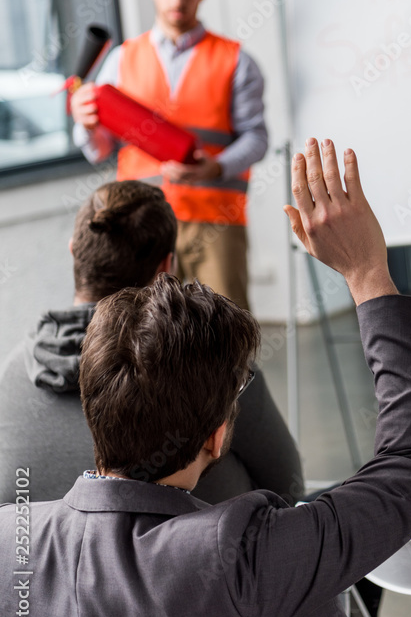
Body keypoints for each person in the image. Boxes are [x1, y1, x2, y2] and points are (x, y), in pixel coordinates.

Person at [0, 139, 411, 617]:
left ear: (92, 404)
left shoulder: (12, 539)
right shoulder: (243, 557)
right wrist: (366, 272)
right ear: (217, 437)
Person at [0, 179, 303, 507]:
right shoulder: (213, 360)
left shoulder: (12, 372)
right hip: (210, 537)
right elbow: (287, 487)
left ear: (74, 250)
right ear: (166, 266)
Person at [70, 0, 268, 309]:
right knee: (138, 331)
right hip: (138, 223)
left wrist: (214, 168)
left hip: (214, 220)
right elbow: (99, 150)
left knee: (224, 329)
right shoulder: (121, 59)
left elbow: (256, 138)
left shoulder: (236, 61)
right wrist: (85, 123)